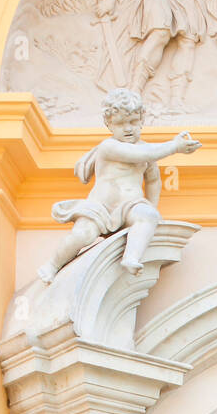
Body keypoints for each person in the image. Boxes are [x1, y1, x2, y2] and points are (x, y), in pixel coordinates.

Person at [38, 88, 200, 282]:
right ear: (109, 125)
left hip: (130, 206)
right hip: (101, 207)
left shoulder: (148, 150)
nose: (128, 128)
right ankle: (53, 264)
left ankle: (131, 257)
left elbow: (153, 180)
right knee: (83, 235)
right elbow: (144, 155)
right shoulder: (109, 147)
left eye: (133, 122)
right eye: (121, 124)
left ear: (142, 120)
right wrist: (174, 146)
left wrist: (151, 207)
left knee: (148, 216)